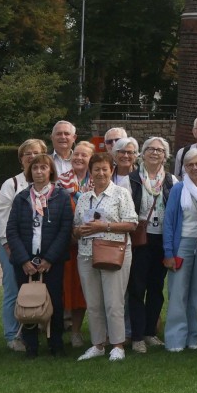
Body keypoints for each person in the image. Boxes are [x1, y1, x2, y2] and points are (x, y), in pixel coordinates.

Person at [6, 152, 73, 358]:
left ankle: (56, 344)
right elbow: (12, 230)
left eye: (43, 167)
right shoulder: (22, 197)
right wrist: (23, 260)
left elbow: (65, 230)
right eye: (35, 168)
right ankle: (31, 345)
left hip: (51, 261)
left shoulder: (61, 197)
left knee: (55, 301)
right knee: (27, 301)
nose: (39, 171)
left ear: (50, 171)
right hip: (26, 260)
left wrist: (49, 259)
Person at [73, 151, 138, 361]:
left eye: (104, 169)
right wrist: (79, 231)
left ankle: (117, 345)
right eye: (96, 169)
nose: (100, 173)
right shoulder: (84, 197)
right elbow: (75, 227)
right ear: (90, 172)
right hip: (86, 253)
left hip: (113, 253)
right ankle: (98, 344)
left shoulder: (121, 193)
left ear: (112, 170)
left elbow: (132, 223)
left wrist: (105, 226)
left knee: (114, 302)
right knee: (93, 303)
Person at [0, 139, 44, 353]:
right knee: (14, 289)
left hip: (38, 247)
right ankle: (13, 335)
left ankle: (34, 329)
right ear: (21, 158)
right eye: (27, 153)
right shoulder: (12, 184)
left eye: (36, 153)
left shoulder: (49, 183)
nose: (32, 157)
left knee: (36, 289)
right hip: (12, 246)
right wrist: (6, 244)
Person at [127, 136, 174, 352]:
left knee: (156, 287)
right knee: (137, 287)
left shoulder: (171, 180)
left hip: (162, 238)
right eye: (150, 149)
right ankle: (137, 336)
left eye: (160, 150)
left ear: (165, 156)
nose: (155, 153)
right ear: (142, 154)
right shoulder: (131, 179)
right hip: (139, 239)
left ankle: (150, 332)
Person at [163, 149, 197, 351]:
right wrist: (168, 253)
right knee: (178, 292)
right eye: (190, 165)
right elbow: (169, 222)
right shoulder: (178, 189)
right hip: (182, 244)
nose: (195, 168)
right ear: (184, 168)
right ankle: (175, 340)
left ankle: (193, 338)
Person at [60, 141, 94, 347]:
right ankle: (54, 330)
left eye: (84, 155)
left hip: (91, 243)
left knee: (82, 289)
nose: (79, 158)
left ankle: (76, 332)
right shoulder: (59, 181)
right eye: (76, 154)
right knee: (65, 288)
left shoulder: (99, 180)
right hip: (66, 244)